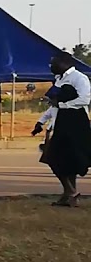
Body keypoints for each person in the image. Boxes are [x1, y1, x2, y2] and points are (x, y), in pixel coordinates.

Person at [31, 52, 91, 206]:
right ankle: (69, 195)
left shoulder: (79, 78)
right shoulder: (58, 80)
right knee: (64, 160)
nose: (51, 66)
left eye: (54, 63)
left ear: (65, 63)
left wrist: (63, 105)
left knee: (53, 158)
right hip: (60, 123)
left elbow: (85, 99)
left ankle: (70, 191)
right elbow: (54, 105)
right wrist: (41, 121)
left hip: (75, 124)